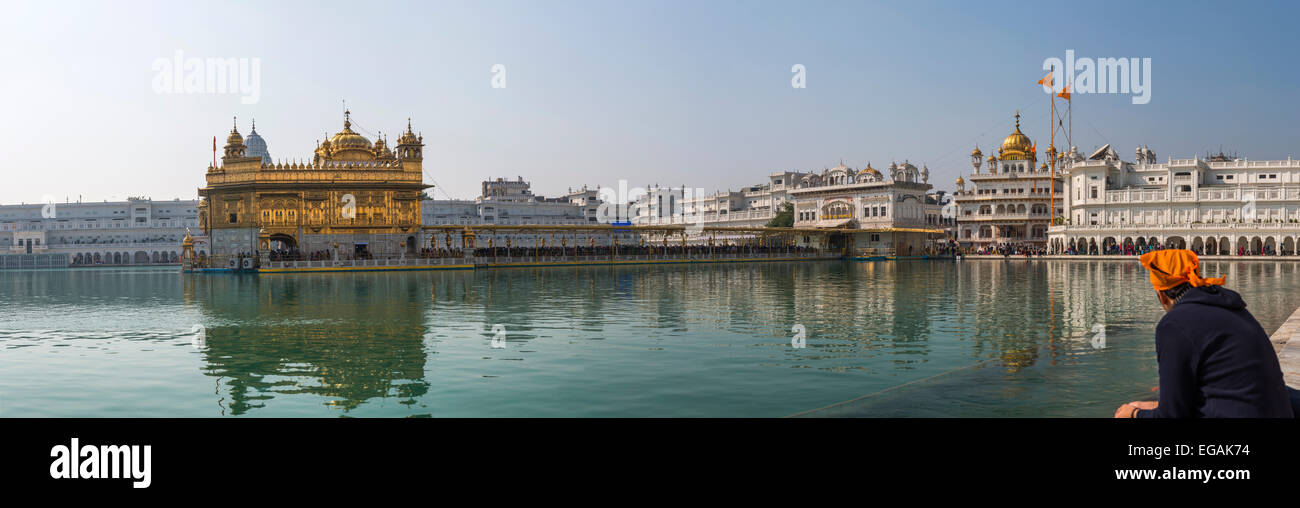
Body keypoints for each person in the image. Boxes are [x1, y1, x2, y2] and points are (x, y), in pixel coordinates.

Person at [1115, 249, 1294, 418]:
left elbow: (1171, 416)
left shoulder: (1174, 324)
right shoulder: (1230, 305)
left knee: (1127, 412)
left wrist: (1134, 414)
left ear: (1161, 296)